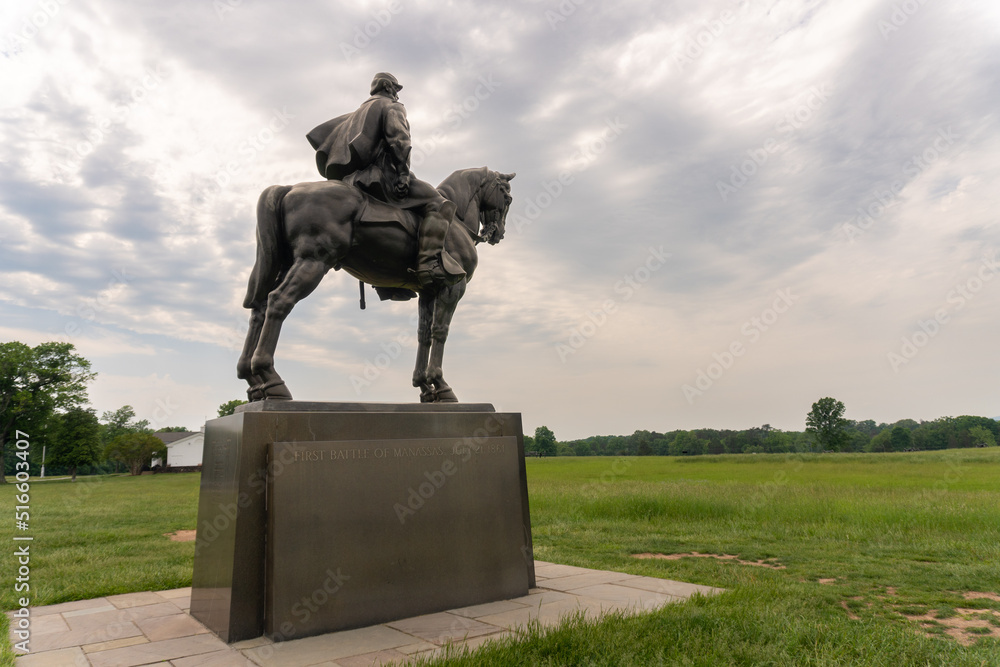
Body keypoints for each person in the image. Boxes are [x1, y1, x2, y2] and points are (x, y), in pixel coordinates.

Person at [306, 72, 456, 288]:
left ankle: (386, 284)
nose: (396, 93)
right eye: (395, 88)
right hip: (379, 178)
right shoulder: (392, 107)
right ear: (387, 87)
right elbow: (399, 141)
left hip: (350, 181)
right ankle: (428, 265)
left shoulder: (357, 112)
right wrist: (403, 174)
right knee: (440, 203)